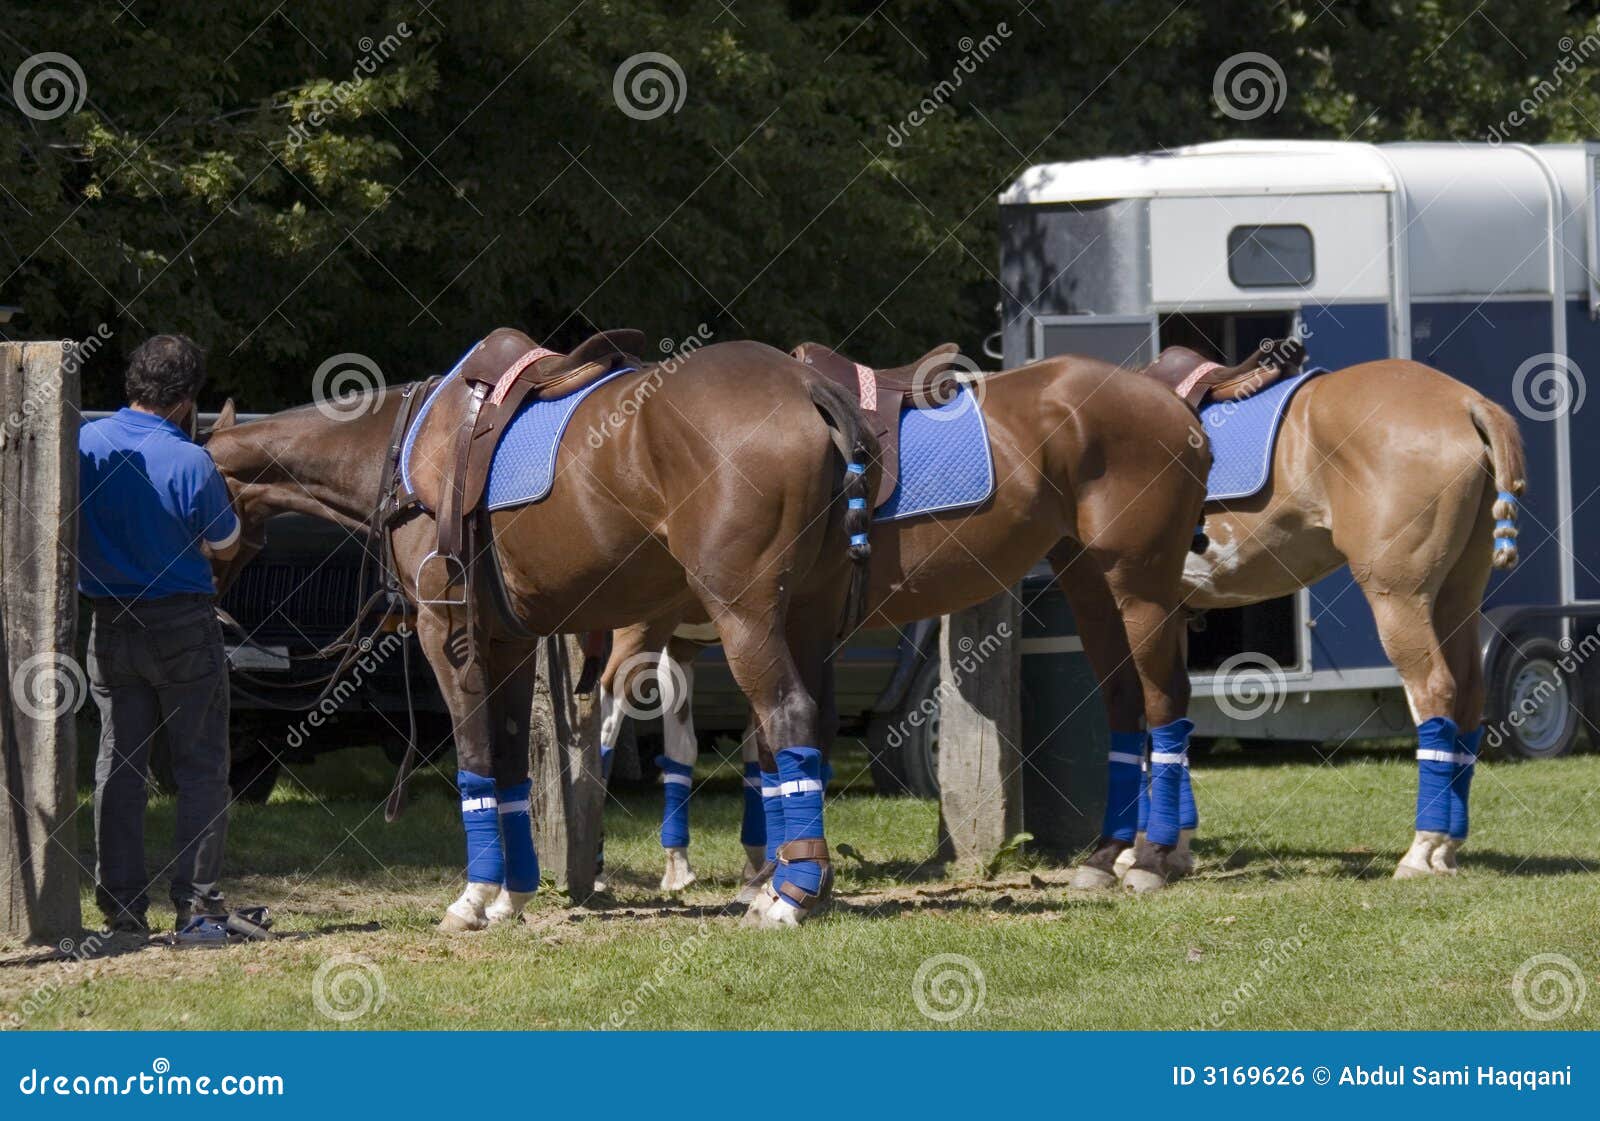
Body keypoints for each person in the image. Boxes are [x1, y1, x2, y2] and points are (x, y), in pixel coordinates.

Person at [77, 334, 241, 934]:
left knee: (119, 765)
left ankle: (121, 906)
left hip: (109, 623)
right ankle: (196, 907)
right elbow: (225, 543)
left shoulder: (85, 443)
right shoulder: (193, 462)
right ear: (184, 401)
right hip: (182, 624)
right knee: (199, 765)